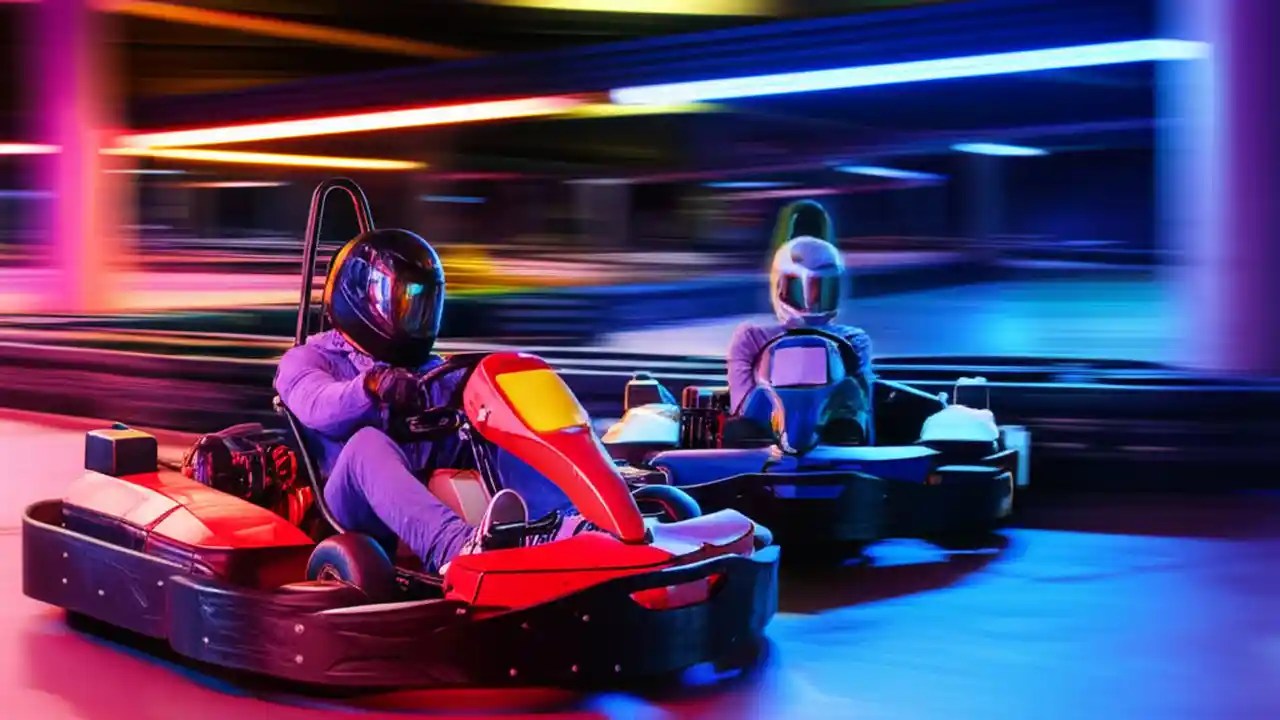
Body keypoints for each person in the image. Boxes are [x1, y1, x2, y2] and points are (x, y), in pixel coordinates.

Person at [275, 228, 589, 573]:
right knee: (368, 443)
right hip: (347, 505)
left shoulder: (429, 368)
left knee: (503, 425)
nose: (417, 317)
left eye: (424, 305)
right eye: (406, 303)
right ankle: (455, 550)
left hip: (419, 487)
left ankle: (558, 522)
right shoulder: (308, 359)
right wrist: (372, 385)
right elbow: (319, 406)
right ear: (363, 297)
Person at [726, 203, 874, 441]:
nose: (812, 298)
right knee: (744, 425)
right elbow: (742, 403)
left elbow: (866, 406)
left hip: (834, 437)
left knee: (851, 393)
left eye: (821, 288)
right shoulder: (751, 337)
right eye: (802, 288)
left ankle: (841, 435)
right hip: (765, 433)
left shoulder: (853, 340)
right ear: (780, 286)